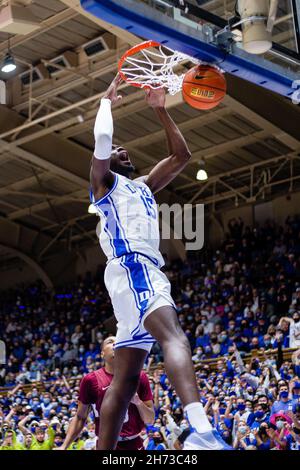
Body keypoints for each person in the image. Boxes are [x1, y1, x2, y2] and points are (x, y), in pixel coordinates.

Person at [89, 74, 230, 450]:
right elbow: (102, 140)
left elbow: (181, 156)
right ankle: (201, 433)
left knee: (126, 379)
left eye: (124, 149)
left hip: (131, 277)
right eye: (118, 150)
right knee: (174, 336)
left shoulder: (144, 186)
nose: (124, 151)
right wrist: (106, 103)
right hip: (135, 268)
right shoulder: (104, 185)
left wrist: (161, 111)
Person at [59, 336, 154, 451]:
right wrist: (64, 446)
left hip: (134, 443)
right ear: (102, 354)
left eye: (119, 342)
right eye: (110, 342)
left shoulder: (139, 376)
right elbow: (80, 417)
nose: (115, 344)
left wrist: (137, 402)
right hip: (105, 445)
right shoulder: (90, 380)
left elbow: (150, 419)